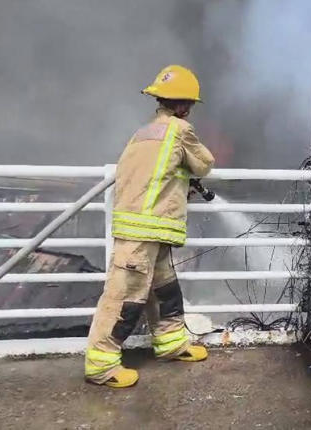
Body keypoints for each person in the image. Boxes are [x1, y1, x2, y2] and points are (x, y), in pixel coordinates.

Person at [84, 65, 215, 388]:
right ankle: (100, 364)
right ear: (184, 105)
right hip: (142, 230)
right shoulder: (180, 131)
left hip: (148, 228)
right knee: (124, 298)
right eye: (191, 105)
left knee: (164, 290)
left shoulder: (142, 133)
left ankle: (171, 343)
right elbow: (205, 163)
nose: (190, 111)